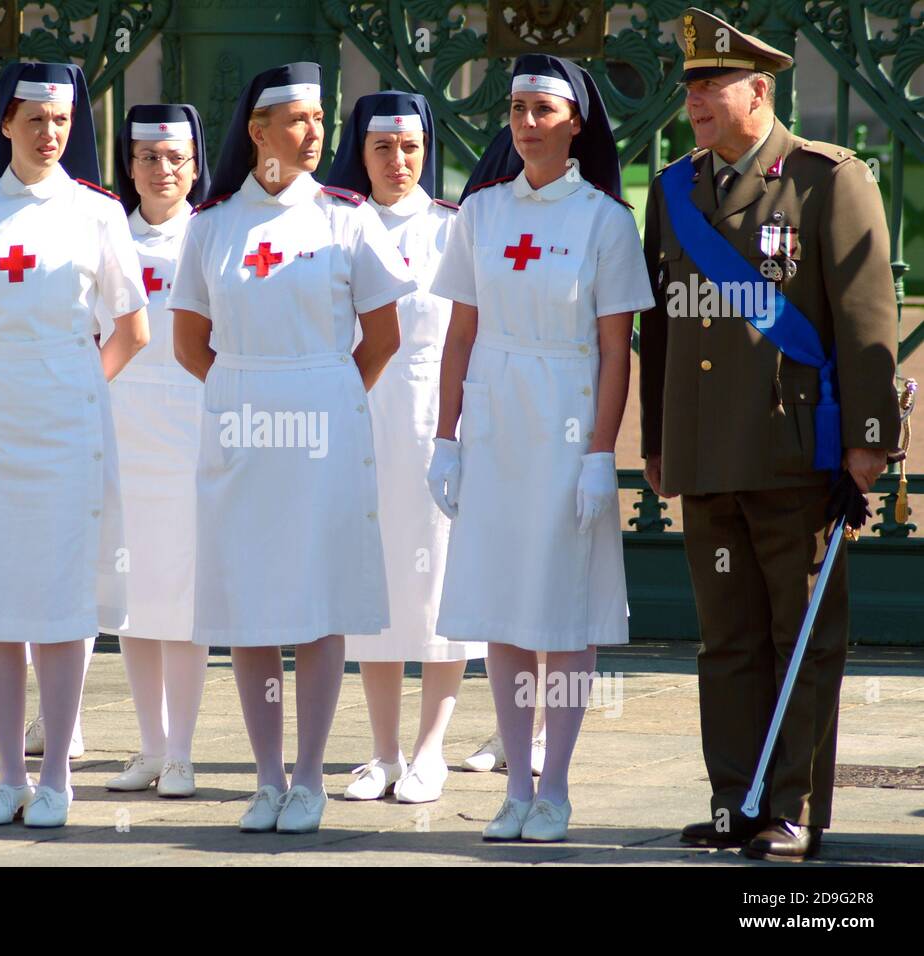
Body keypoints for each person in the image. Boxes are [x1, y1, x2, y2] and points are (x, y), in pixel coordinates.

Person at [641, 8, 900, 861]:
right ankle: (733, 803)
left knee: (804, 641)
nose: (696, 102)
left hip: (796, 456)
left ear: (761, 89)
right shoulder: (677, 189)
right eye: (690, 88)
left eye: (712, 85)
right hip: (709, 453)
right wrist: (658, 441)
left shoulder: (828, 180)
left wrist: (867, 444)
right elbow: (667, 330)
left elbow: (867, 319)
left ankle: (789, 808)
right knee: (728, 641)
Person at [170, 62, 415, 833]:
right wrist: (254, 393)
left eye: (320, 119)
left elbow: (382, 336)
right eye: (298, 120)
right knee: (249, 602)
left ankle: (310, 775)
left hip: (325, 420)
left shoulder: (347, 218)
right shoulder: (211, 225)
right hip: (242, 420)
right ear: (257, 129)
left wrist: (324, 395)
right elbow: (187, 342)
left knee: (316, 598)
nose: (315, 134)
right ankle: (266, 777)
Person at [0, 61, 150, 829]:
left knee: (60, 598)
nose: (51, 134)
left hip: (67, 425)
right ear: (6, 123)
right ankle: (7, 773)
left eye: (62, 121)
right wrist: (3, 376)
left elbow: (132, 327)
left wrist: (78, 382)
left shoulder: (97, 212)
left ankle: (56, 776)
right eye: (35, 119)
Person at [427, 54, 654, 841]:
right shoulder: (481, 214)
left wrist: (600, 453)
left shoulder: (603, 220)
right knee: (503, 609)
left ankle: (555, 787)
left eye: (542, 110)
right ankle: (515, 785)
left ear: (575, 125)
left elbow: (616, 349)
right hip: (495, 426)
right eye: (518, 108)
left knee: (562, 614)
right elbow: (461, 333)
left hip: (565, 422)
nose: (526, 123)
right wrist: (445, 437)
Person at [321, 92, 486, 804]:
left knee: (440, 579)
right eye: (383, 147)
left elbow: (469, 333)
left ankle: (431, 750)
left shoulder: (456, 228)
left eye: (411, 147)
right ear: (361, 151)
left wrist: (457, 428)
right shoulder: (336, 225)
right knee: (376, 581)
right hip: (362, 413)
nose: (398, 161)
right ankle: (382, 751)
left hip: (435, 414)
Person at [93, 104, 213, 798]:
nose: (161, 171)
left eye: (174, 159)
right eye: (147, 159)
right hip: (123, 430)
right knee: (133, 599)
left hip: (192, 434)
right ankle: (149, 746)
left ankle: (186, 752)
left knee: (184, 602)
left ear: (194, 164)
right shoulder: (109, 236)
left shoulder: (212, 235)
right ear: (129, 166)